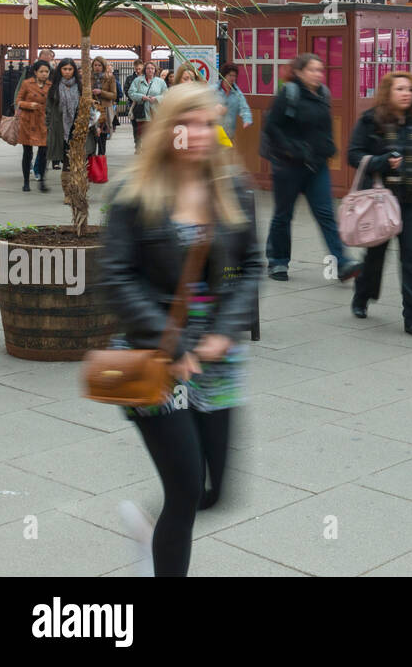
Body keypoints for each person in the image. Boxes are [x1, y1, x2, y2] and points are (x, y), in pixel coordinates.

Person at [98, 82, 262, 578]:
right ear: (167, 129)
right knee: (187, 487)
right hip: (155, 356)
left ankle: (154, 530)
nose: (198, 134)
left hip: (216, 356)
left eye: (207, 123)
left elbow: (250, 265)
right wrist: (171, 343)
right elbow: (116, 277)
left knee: (217, 490)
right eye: (186, 123)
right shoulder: (133, 194)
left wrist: (224, 331)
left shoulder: (231, 188)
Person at [346, 72, 412, 337]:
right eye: (400, 89)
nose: (406, 93)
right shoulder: (371, 121)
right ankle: (362, 295)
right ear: (388, 92)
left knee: (411, 260)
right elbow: (353, 155)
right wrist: (382, 161)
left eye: (409, 89)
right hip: (381, 202)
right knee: (375, 257)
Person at [260, 53, 360, 283]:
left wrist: (329, 147)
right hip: (288, 166)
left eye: (320, 70)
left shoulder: (322, 93)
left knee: (325, 213)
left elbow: (323, 127)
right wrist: (291, 149)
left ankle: (342, 262)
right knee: (283, 215)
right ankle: (278, 261)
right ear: (299, 72)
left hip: (317, 166)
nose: (318, 74)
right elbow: (272, 127)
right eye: (312, 70)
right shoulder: (289, 93)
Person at [16, 59, 51, 192]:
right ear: (36, 72)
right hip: (28, 121)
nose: (44, 74)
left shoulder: (50, 85)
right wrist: (29, 105)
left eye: (46, 71)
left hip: (43, 121)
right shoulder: (26, 84)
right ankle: (26, 182)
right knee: (27, 153)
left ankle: (42, 180)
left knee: (43, 152)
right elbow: (18, 101)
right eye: (41, 71)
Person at [46, 58, 81, 173]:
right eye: (64, 69)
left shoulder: (80, 86)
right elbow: (49, 108)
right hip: (59, 124)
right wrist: (48, 124)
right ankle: (66, 181)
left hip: (76, 124)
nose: (67, 71)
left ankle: (71, 183)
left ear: (74, 70)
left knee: (73, 157)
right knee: (63, 153)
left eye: (70, 69)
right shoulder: (54, 86)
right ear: (60, 70)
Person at [128, 61, 167, 150]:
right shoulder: (137, 80)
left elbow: (166, 94)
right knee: (143, 133)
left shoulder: (160, 82)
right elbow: (131, 93)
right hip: (142, 112)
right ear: (145, 70)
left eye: (152, 68)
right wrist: (142, 97)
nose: (150, 70)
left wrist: (157, 98)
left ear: (155, 70)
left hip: (155, 112)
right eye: (148, 68)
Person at [90, 56, 119, 158]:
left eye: (99, 65)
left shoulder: (110, 78)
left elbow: (114, 95)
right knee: (91, 135)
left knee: (102, 136)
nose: (97, 67)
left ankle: (101, 158)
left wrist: (101, 92)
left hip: (105, 109)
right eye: (95, 65)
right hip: (92, 108)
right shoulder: (89, 77)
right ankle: (91, 160)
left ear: (103, 66)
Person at [216, 63, 252, 139]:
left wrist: (247, 119)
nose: (232, 78)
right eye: (230, 75)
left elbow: (244, 107)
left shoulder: (237, 93)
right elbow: (203, 105)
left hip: (229, 133)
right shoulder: (213, 89)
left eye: (234, 76)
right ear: (224, 75)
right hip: (213, 132)